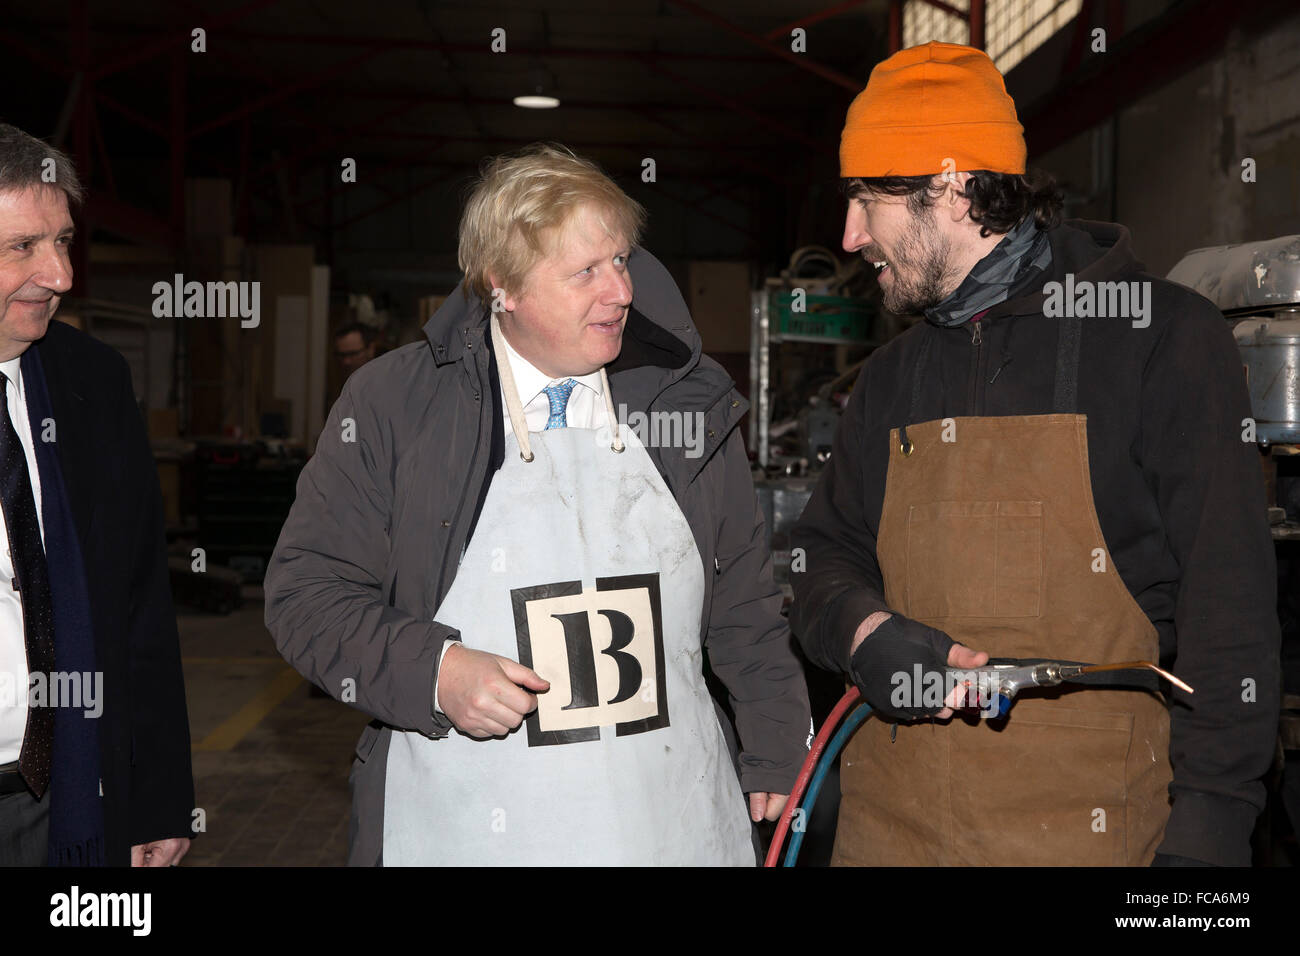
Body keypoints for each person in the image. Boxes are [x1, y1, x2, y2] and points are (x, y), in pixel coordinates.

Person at [790, 42, 1280, 866]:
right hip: (891, 832)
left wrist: (1205, 848)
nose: (849, 236)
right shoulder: (889, 379)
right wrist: (863, 629)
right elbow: (814, 556)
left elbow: (1229, 623)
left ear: (947, 185)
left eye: (866, 198)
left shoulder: (1162, 342)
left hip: (1089, 834)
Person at [265, 143, 810, 866]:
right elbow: (306, 595)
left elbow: (744, 591)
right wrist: (436, 670)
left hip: (668, 819)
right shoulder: (397, 404)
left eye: (620, 260)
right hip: (468, 825)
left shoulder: (686, 399)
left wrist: (775, 735)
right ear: (504, 288)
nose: (619, 292)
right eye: (584, 271)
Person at [0, 123, 194, 866]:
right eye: (24, 247)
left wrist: (158, 793)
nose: (60, 275)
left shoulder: (94, 383)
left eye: (64, 241)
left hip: (64, 802)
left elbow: (139, 604)